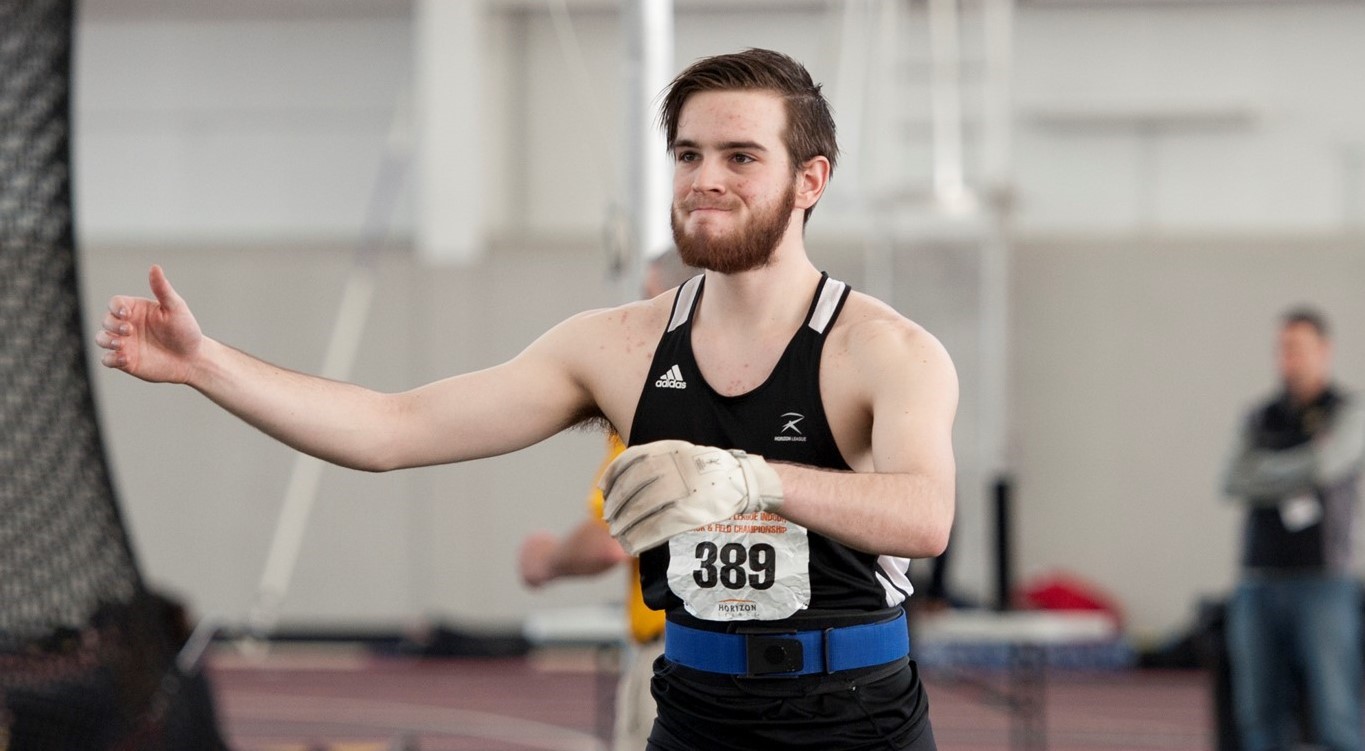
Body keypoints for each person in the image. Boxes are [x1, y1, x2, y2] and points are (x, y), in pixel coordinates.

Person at [96, 48, 957, 749]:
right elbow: (392, 428)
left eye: (740, 157)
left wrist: (751, 480)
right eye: (688, 154)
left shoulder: (885, 350)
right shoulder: (613, 346)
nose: (704, 178)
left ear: (810, 180)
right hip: (698, 715)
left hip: (854, 718)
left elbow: (924, 515)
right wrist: (207, 365)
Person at [517, 249, 696, 751]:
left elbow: (613, 538)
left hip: (677, 659)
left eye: (649, 301)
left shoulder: (653, 403)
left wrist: (546, 560)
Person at [1222, 307, 1365, 751]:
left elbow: (1327, 467)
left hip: (1324, 582)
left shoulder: (1347, 411)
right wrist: (1299, 467)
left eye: (1298, 349)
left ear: (1324, 351)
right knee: (1259, 718)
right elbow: (1233, 480)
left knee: (1336, 716)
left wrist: (1266, 472)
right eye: (1282, 349)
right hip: (1259, 581)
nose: (1289, 359)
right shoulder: (1260, 416)